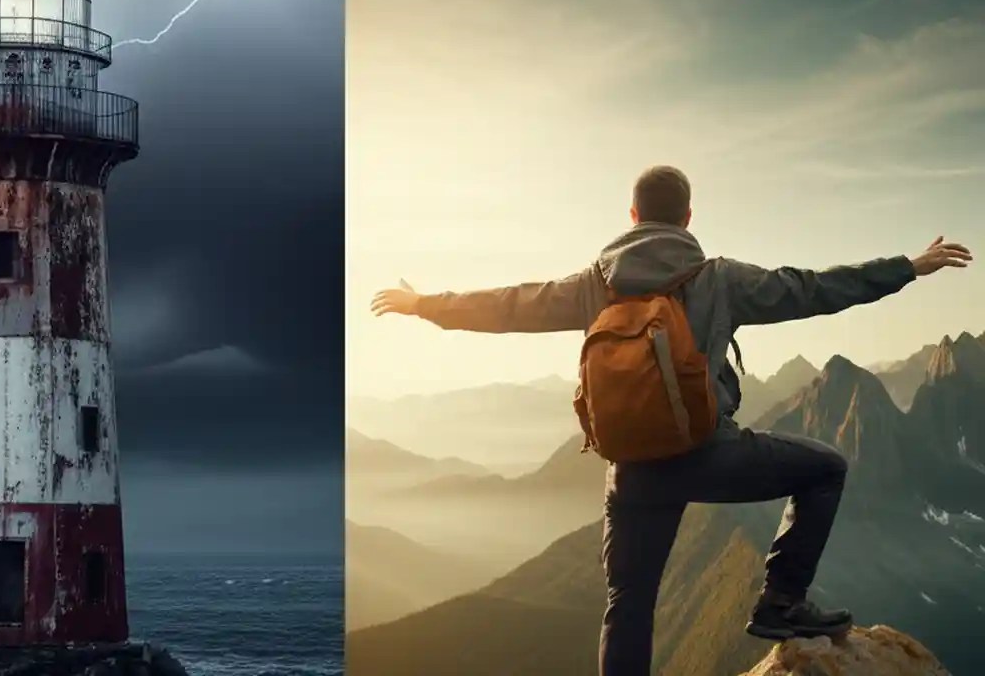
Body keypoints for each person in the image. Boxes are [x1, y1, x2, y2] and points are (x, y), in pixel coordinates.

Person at [369, 165, 972, 676]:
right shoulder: (721, 279)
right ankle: (781, 601)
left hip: (633, 470)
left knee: (627, 601)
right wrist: (907, 267)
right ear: (688, 219)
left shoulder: (592, 284)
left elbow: (509, 305)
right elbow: (813, 289)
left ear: (632, 215)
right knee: (825, 469)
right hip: (711, 454)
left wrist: (427, 306)